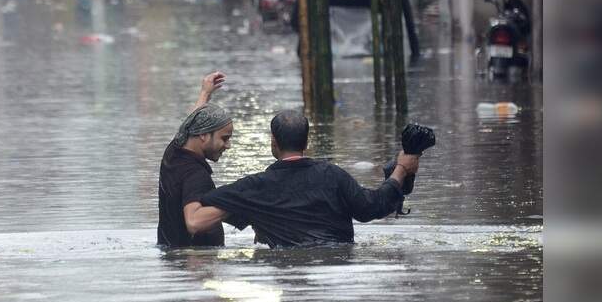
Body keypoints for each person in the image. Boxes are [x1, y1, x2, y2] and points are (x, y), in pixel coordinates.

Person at [184, 109, 421, 247]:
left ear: (273, 142)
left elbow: (200, 210)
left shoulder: (254, 187)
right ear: (306, 142)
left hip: (284, 259)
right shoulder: (333, 176)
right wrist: (401, 169)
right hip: (336, 262)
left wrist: (241, 202)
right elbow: (372, 207)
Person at [157, 72, 240, 247]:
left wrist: (205, 93)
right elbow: (194, 222)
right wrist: (236, 203)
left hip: (170, 253)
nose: (228, 145)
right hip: (196, 257)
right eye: (224, 138)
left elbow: (190, 124)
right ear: (203, 135)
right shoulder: (196, 175)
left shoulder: (173, 152)